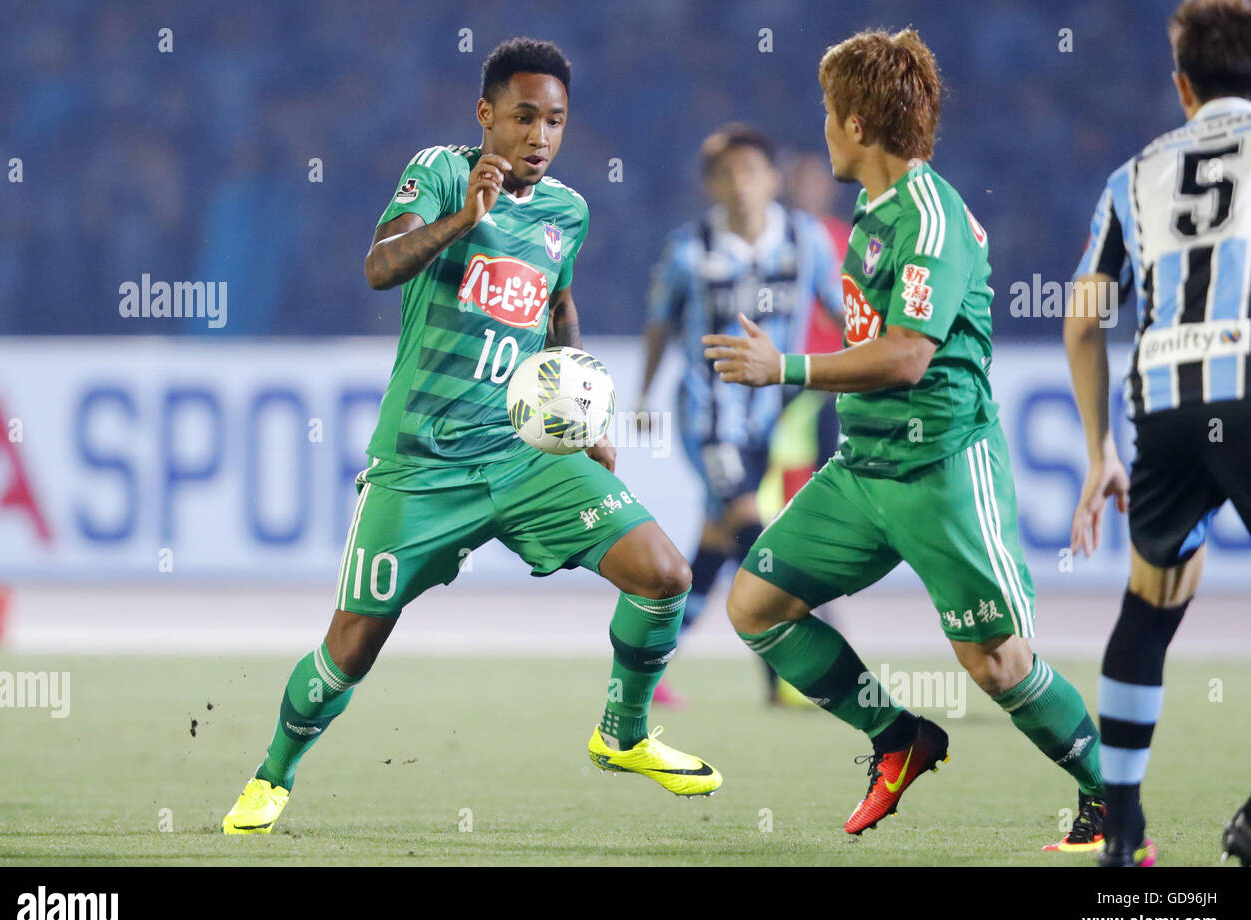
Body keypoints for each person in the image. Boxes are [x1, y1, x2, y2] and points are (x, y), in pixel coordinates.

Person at [223, 37, 721, 835]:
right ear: (486, 115)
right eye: (524, 117)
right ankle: (272, 772)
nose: (540, 137)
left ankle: (622, 734)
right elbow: (379, 267)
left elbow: (559, 309)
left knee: (664, 573)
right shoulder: (444, 173)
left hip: (522, 454)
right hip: (419, 466)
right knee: (351, 645)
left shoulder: (568, 212)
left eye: (555, 121)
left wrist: (583, 417)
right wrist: (464, 220)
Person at [704, 28, 1107, 849]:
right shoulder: (875, 211)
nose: (821, 128)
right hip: (864, 470)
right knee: (756, 607)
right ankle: (899, 738)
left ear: (856, 123)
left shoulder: (930, 216)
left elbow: (908, 354)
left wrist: (784, 368)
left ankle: (1111, 797)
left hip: (940, 472)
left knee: (996, 666)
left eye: (827, 112)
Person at [1064, 0, 1251, 867]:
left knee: (1148, 611)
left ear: (1183, 86)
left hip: (1165, 408)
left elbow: (1082, 319)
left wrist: (1099, 450)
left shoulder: (1132, 175)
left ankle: (1123, 833)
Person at [640, 125, 843, 707]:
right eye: (726, 173)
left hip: (768, 423)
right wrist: (642, 395)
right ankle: (794, 665)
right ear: (710, 184)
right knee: (756, 529)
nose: (740, 184)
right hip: (708, 421)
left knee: (716, 540)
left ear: (774, 178)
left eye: (751, 170)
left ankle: (646, 664)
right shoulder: (688, 250)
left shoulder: (806, 242)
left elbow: (843, 310)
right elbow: (660, 325)